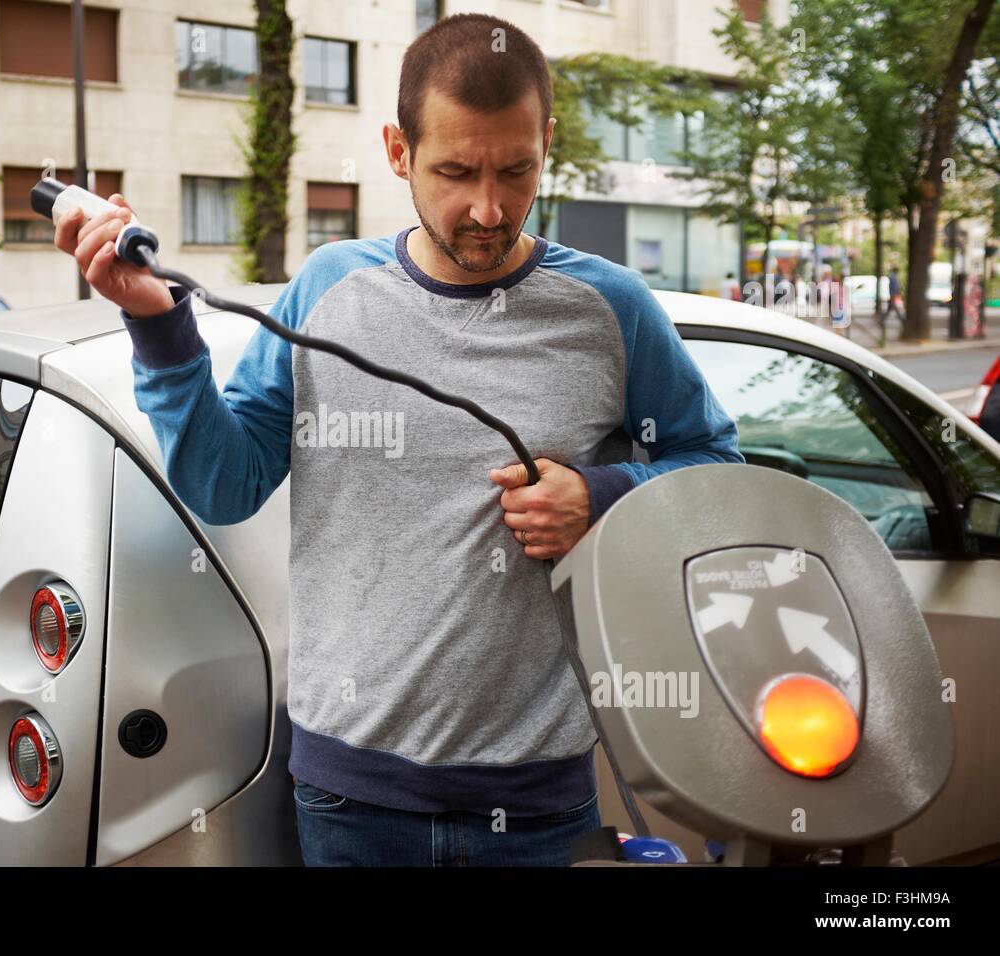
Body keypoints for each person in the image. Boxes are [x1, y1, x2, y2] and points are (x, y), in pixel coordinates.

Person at [54, 13, 743, 867]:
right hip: (351, 802)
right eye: (455, 171)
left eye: (517, 170)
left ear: (546, 144)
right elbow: (222, 487)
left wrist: (601, 497)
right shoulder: (327, 292)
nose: (488, 208)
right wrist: (158, 330)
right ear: (396, 149)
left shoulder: (612, 310)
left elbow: (717, 465)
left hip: (537, 803)